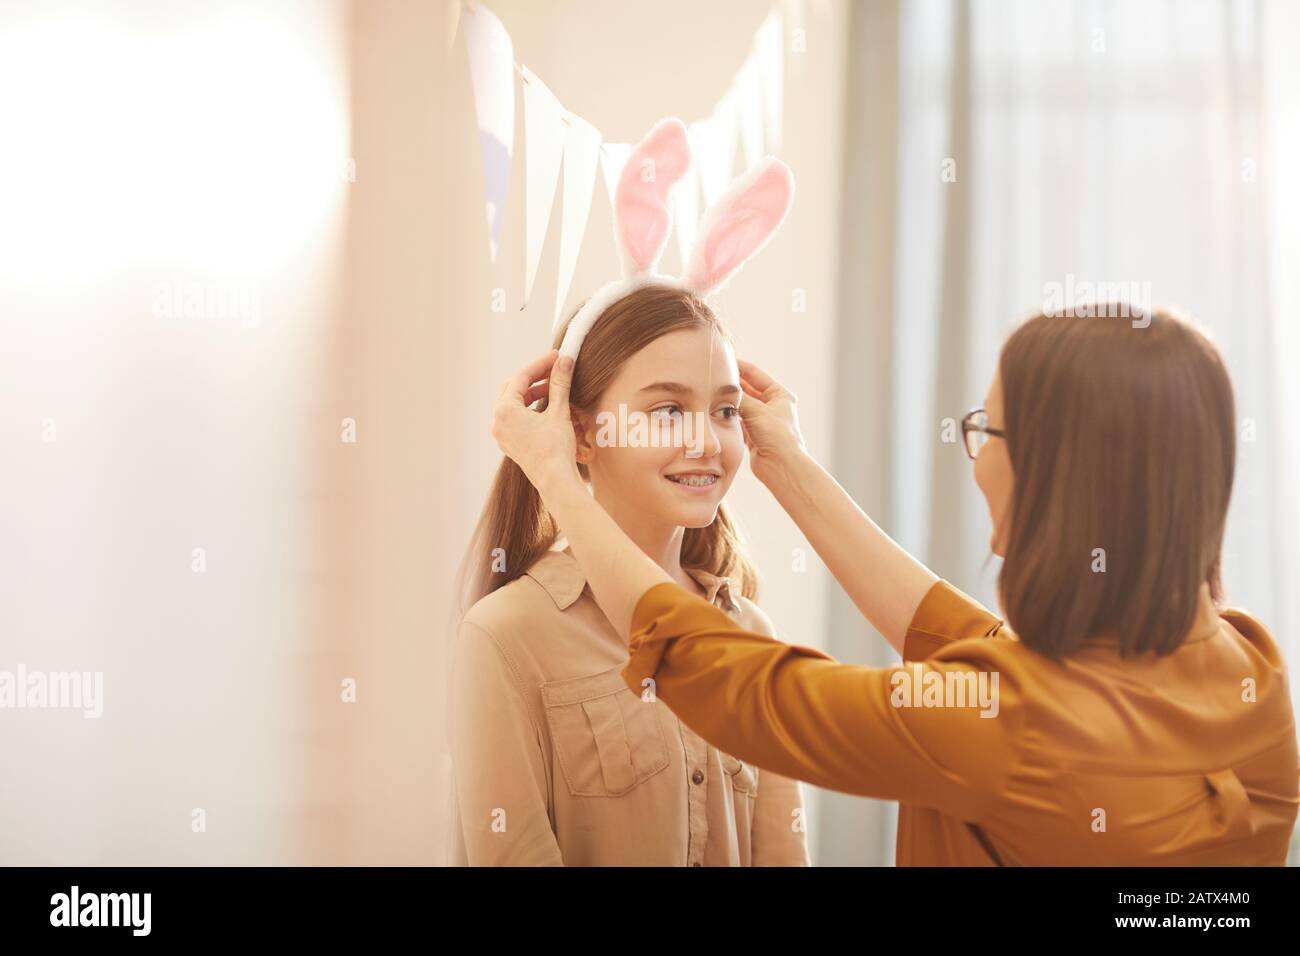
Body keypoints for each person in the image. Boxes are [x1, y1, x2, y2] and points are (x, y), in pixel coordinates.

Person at [492, 307, 1299, 865]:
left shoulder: (1004, 725)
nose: (974, 454)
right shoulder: (1250, 671)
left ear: (1061, 475)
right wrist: (790, 466)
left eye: (985, 431)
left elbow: (738, 688)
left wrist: (558, 482)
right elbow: (983, 652)